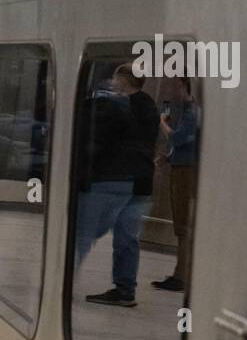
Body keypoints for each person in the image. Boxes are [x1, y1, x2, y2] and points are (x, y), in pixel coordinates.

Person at [75, 63, 159, 307]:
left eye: (115, 79)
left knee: (84, 233)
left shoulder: (118, 107)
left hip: (114, 180)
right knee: (127, 238)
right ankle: (125, 290)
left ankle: (62, 278)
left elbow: (101, 139)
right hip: (142, 182)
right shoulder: (149, 107)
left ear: (123, 81)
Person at [151, 76, 200, 293]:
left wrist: (162, 123)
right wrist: (169, 157)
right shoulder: (189, 110)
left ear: (182, 85)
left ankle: (181, 275)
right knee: (181, 226)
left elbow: (179, 138)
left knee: (183, 226)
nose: (170, 91)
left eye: (173, 85)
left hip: (186, 172)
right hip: (181, 167)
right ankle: (180, 272)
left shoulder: (192, 112)